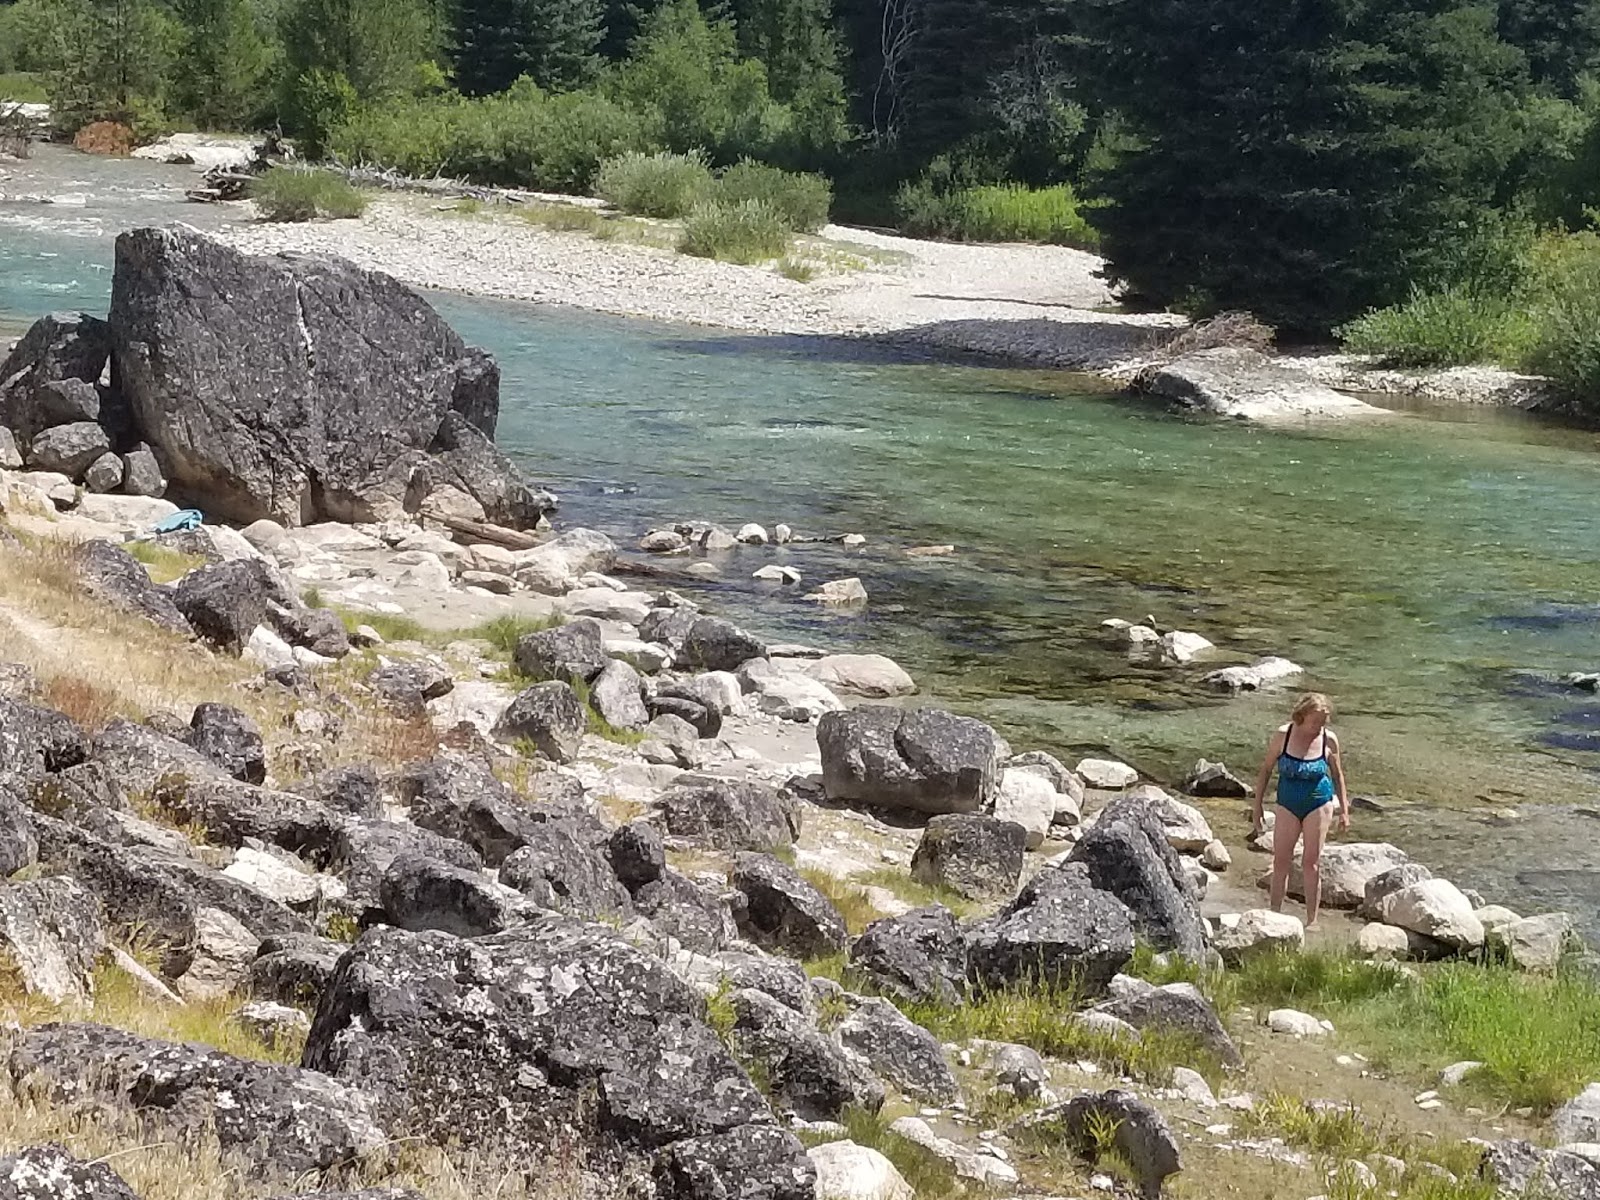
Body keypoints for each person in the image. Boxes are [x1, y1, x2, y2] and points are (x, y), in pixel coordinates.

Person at [1252, 692, 1349, 929]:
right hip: (1287, 802)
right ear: (1302, 715)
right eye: (1315, 721)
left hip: (1319, 802)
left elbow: (1337, 775)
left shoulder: (1329, 740)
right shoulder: (1283, 736)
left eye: (1324, 721)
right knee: (1281, 860)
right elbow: (1265, 771)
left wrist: (1345, 810)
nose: (1319, 726)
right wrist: (1257, 807)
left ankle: (1312, 920)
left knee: (1311, 862)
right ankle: (1274, 914)